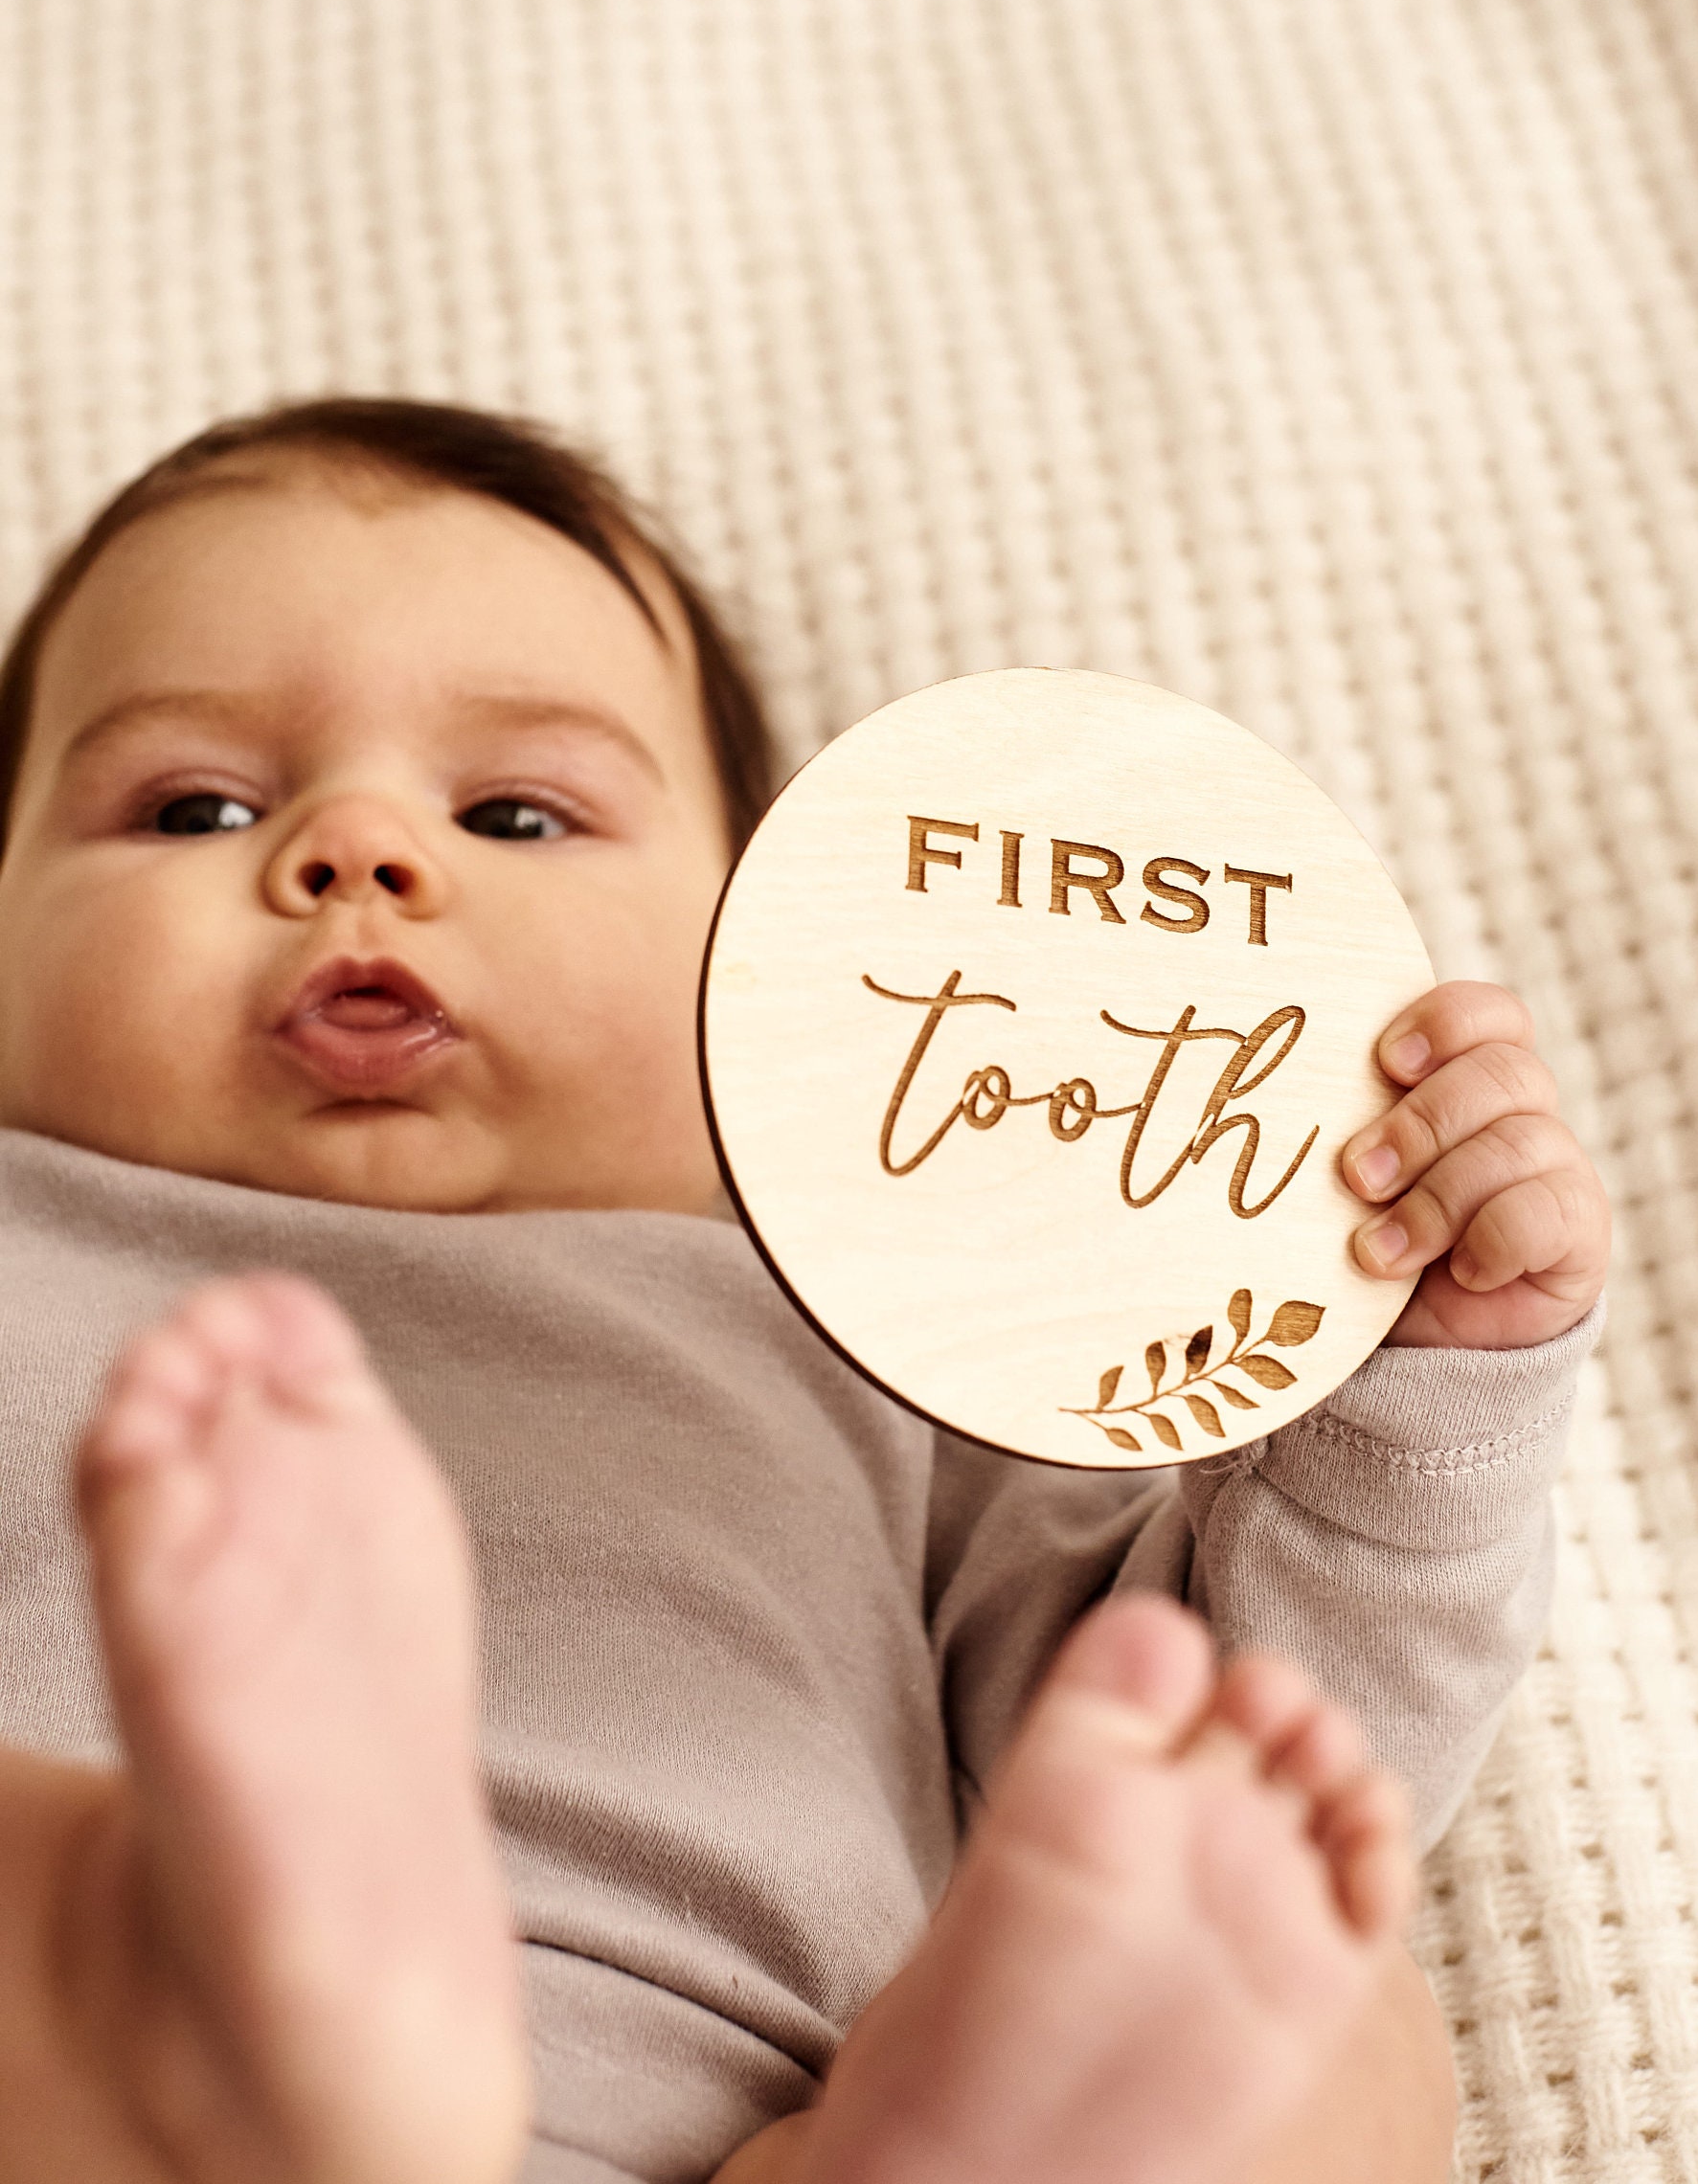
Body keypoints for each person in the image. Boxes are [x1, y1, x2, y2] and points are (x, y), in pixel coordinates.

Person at [0, 399, 1610, 2184]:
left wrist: (1408, 1374)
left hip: (764, 2134)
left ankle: (959, 2137)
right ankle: (252, 1997)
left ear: (764, 949)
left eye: (519, 814)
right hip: (114, 2080)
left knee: (1318, 1999)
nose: (362, 852)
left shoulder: (873, 1325)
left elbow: (1220, 1711)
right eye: (196, 803)